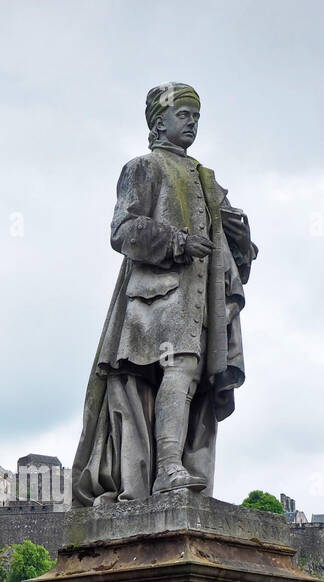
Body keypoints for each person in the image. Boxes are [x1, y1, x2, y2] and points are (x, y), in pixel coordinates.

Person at [70, 82, 256, 506]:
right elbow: (122, 230)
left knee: (189, 376)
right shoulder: (144, 168)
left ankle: (175, 466)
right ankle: (167, 466)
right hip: (154, 302)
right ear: (159, 122)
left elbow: (232, 235)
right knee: (179, 370)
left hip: (197, 302)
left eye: (196, 116)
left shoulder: (206, 179)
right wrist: (176, 241)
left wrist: (239, 236)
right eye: (184, 115)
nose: (192, 122)